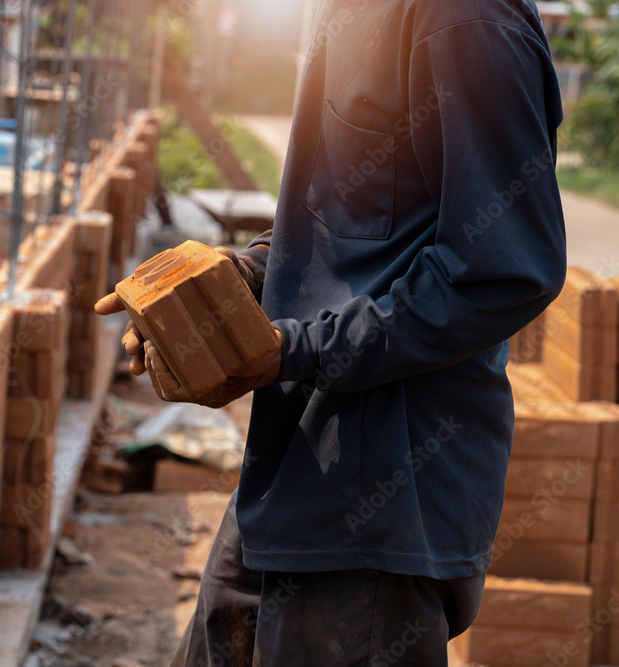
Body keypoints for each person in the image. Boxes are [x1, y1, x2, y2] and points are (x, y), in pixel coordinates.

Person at [95, 0, 568, 664]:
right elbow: (346, 216)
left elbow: (501, 271)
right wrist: (235, 278)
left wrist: (293, 348)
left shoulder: (465, 17)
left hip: (381, 496)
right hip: (289, 471)